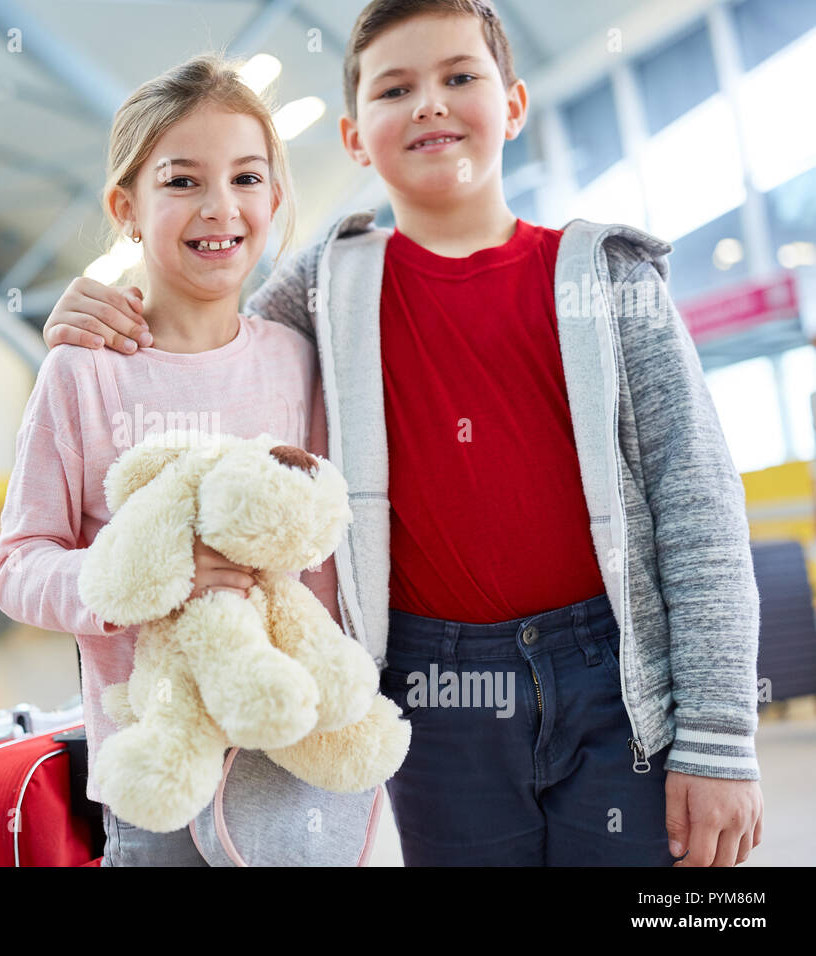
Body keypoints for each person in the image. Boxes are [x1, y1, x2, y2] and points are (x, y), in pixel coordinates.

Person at [39, 0, 764, 867]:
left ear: (516, 103)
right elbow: (205, 331)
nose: (429, 103)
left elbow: (700, 511)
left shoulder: (608, 281)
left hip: (614, 674)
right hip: (431, 682)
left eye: (460, 77)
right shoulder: (322, 291)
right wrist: (91, 310)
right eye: (396, 87)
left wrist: (719, 735)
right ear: (353, 136)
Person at [0, 53, 343, 866]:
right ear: (128, 208)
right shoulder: (82, 373)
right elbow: (16, 565)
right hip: (156, 774)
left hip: (292, 763)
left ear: (276, 199)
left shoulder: (297, 360)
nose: (221, 207)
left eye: (248, 178)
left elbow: (325, 560)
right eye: (183, 181)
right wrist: (135, 574)